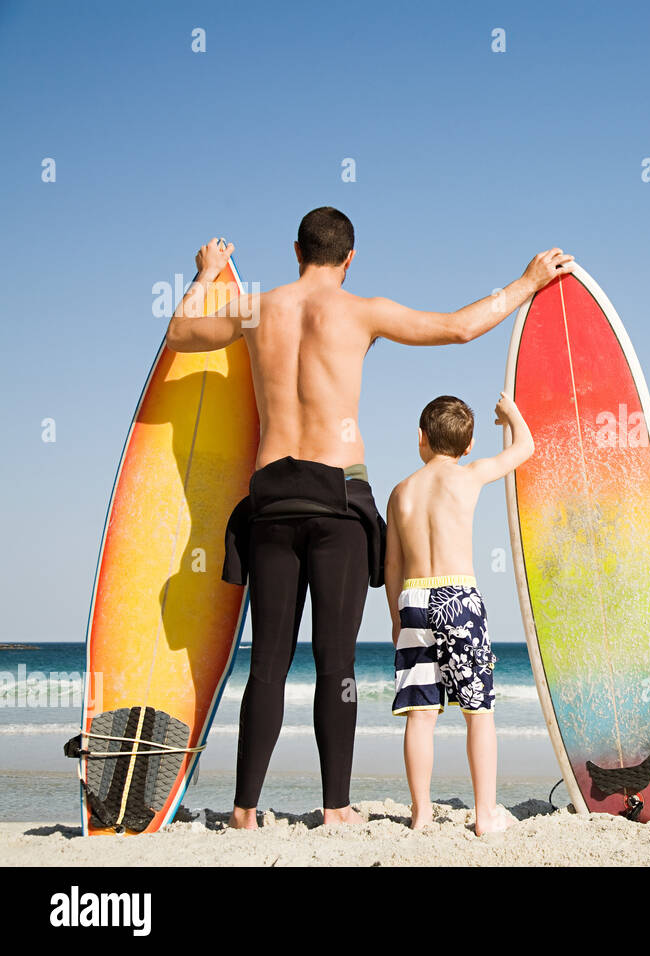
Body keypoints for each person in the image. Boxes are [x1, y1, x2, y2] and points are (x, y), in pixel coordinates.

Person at [163, 207, 573, 828]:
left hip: (271, 498)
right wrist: (527, 281)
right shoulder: (362, 311)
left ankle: (245, 811)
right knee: (337, 663)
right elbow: (460, 328)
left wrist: (206, 272)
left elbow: (180, 333)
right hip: (339, 501)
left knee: (268, 661)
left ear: (295, 250)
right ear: (349, 258)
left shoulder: (254, 308)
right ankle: (335, 809)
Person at [385, 393, 533, 834]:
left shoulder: (400, 493)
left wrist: (396, 617)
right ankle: (485, 814)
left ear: (421, 438)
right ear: (468, 447)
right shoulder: (469, 475)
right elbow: (524, 447)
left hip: (412, 598)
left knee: (420, 714)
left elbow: (391, 565)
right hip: (459, 599)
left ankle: (421, 813)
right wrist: (511, 414)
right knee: (478, 710)